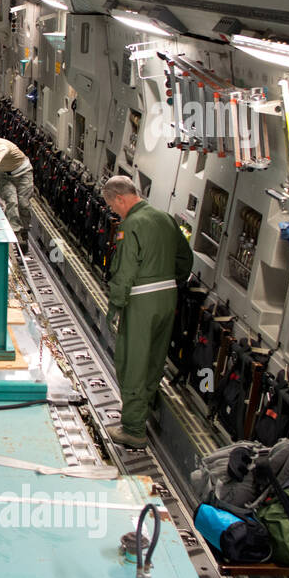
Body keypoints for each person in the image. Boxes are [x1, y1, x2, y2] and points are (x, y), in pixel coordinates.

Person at [102, 175, 194, 448]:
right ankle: (146, 408)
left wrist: (115, 305)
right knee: (154, 358)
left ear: (120, 198)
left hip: (142, 300)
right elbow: (184, 259)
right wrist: (168, 281)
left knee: (132, 362)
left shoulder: (131, 225)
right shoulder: (165, 217)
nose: (113, 212)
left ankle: (133, 430)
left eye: (112, 206)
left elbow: (125, 269)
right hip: (168, 297)